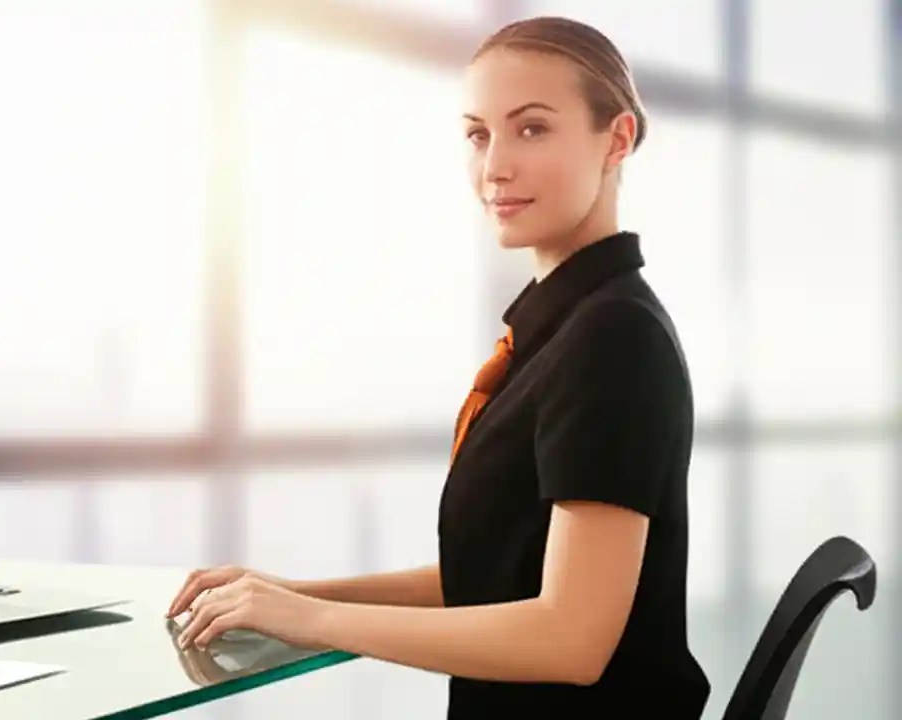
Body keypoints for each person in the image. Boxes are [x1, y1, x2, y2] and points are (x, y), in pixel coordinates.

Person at [165, 15, 710, 719]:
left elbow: (571, 640)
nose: (495, 166)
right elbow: (499, 578)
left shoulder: (612, 340)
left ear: (618, 139)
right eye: (478, 134)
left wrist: (311, 620)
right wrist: (295, 594)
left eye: (532, 128)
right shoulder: (564, 330)